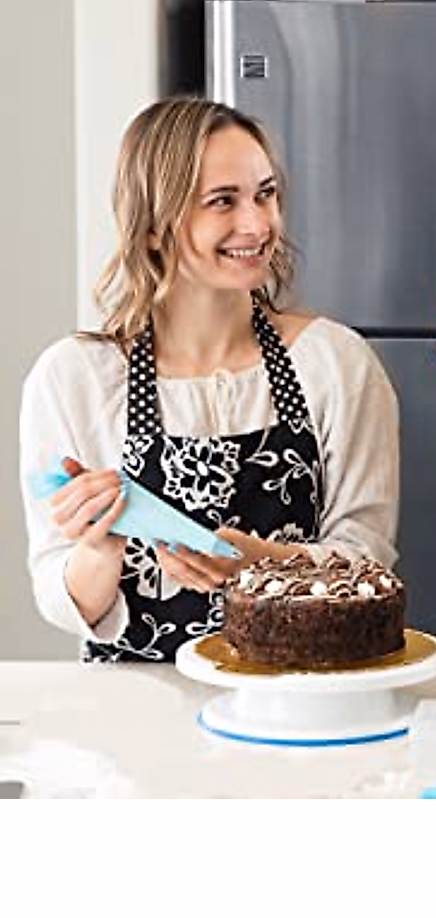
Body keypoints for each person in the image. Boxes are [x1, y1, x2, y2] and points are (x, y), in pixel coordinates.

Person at [19, 96, 399, 662]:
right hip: (137, 700)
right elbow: (58, 594)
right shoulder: (75, 378)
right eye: (223, 201)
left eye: (265, 194)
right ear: (153, 227)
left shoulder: (335, 363)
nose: (258, 224)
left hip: (300, 692)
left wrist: (257, 563)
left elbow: (367, 561)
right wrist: (100, 549)